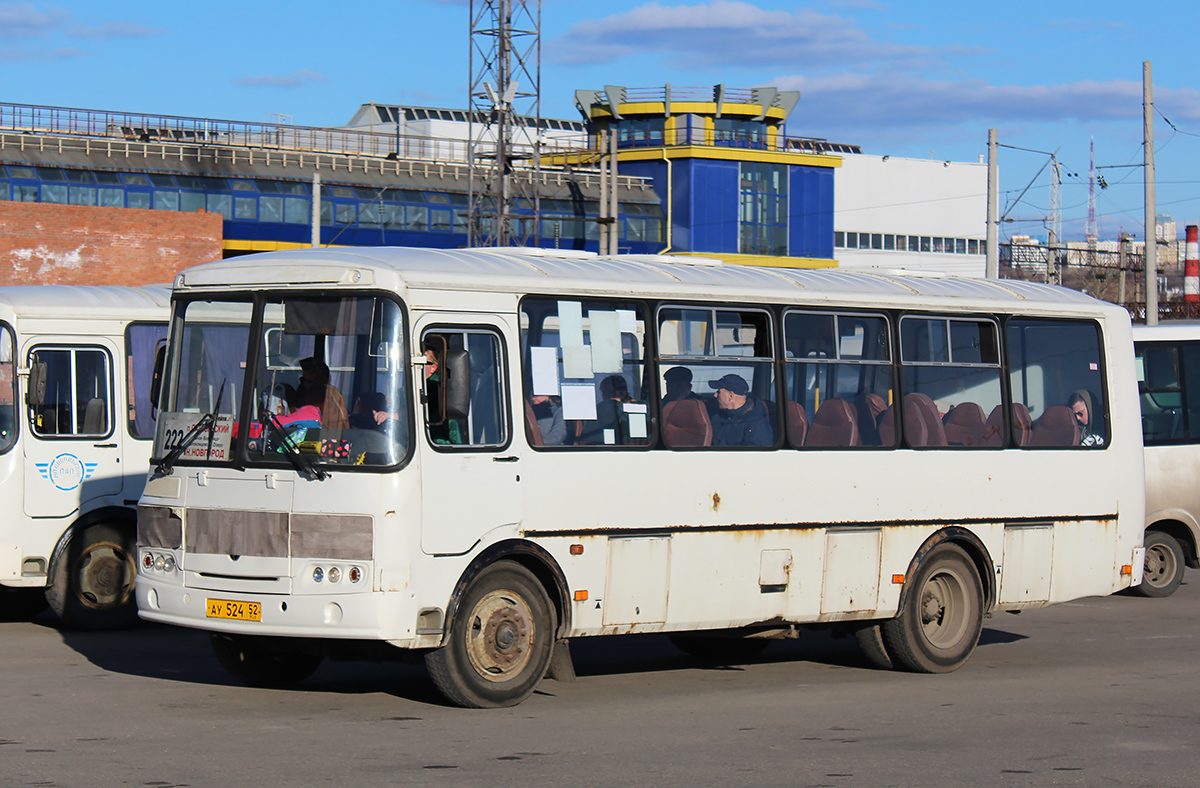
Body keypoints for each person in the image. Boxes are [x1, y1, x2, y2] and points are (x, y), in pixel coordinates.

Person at [708, 373, 774, 447]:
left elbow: (759, 455)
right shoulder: (717, 415)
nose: (715, 395)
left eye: (718, 392)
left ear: (731, 396)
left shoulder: (756, 424)